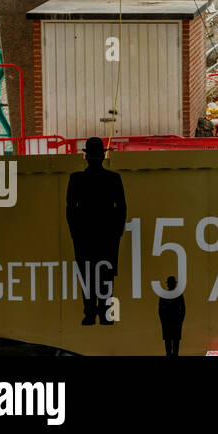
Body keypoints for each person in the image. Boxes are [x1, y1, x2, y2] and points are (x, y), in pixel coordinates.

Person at [66, 136, 127, 326]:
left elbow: (71, 209)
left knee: (87, 275)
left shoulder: (76, 179)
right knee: (105, 276)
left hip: (85, 236)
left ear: (86, 156)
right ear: (102, 156)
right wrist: (116, 232)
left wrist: (75, 232)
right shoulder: (113, 179)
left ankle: (90, 313)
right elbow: (121, 208)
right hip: (107, 236)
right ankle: (104, 313)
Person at [158, 275, 185, 356]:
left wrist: (163, 321)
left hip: (167, 323)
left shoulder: (164, 295)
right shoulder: (179, 295)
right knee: (175, 346)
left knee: (168, 346)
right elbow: (183, 308)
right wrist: (180, 320)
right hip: (176, 323)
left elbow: (160, 310)